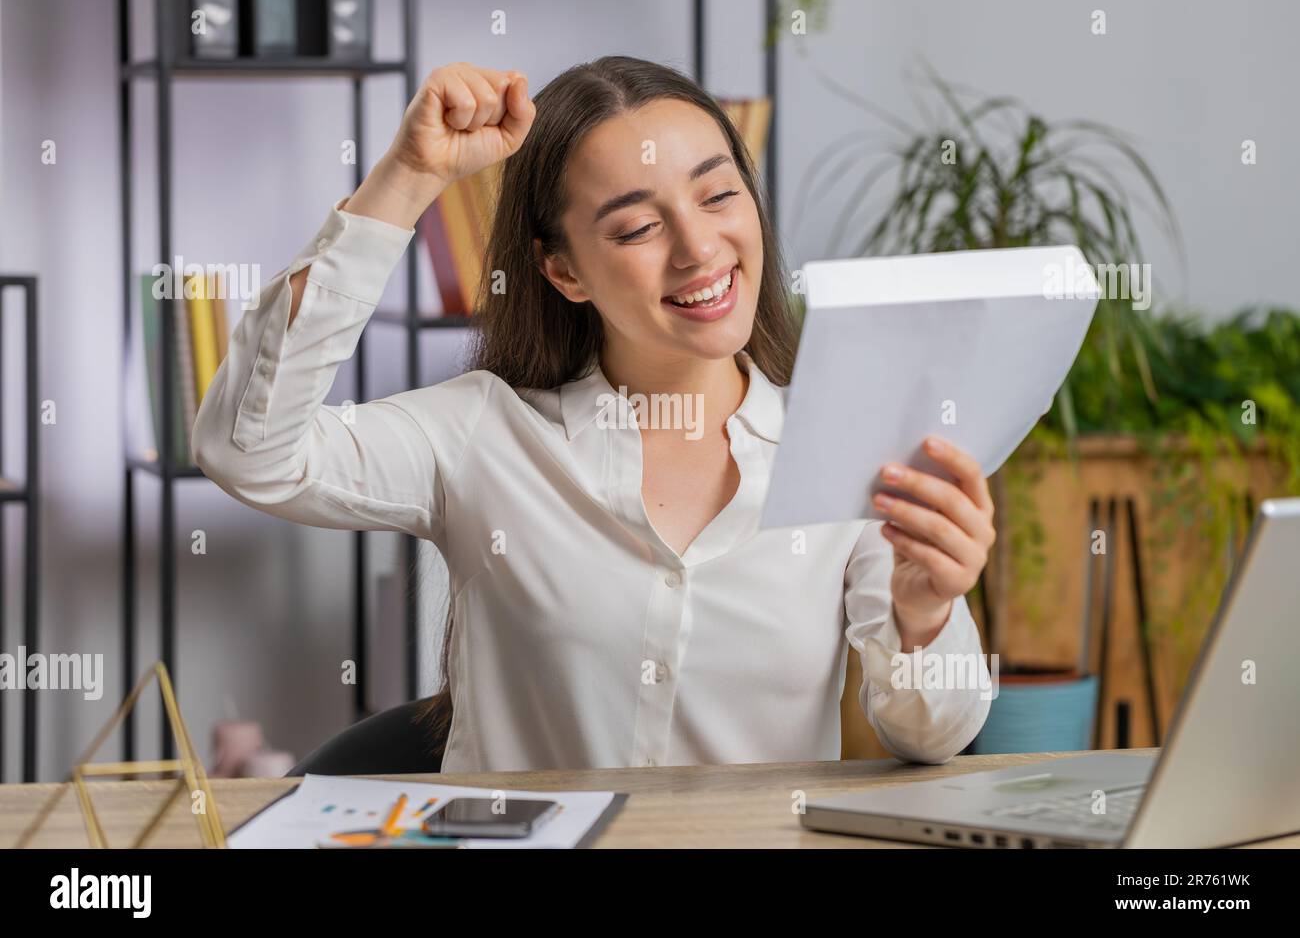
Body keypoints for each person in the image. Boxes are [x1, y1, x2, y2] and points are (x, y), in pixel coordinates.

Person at [193, 56, 996, 774]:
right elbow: (247, 449)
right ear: (563, 270)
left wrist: (924, 615)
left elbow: (930, 736)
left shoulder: (845, 452)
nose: (698, 248)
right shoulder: (483, 434)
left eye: (719, 194)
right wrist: (404, 179)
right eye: (639, 226)